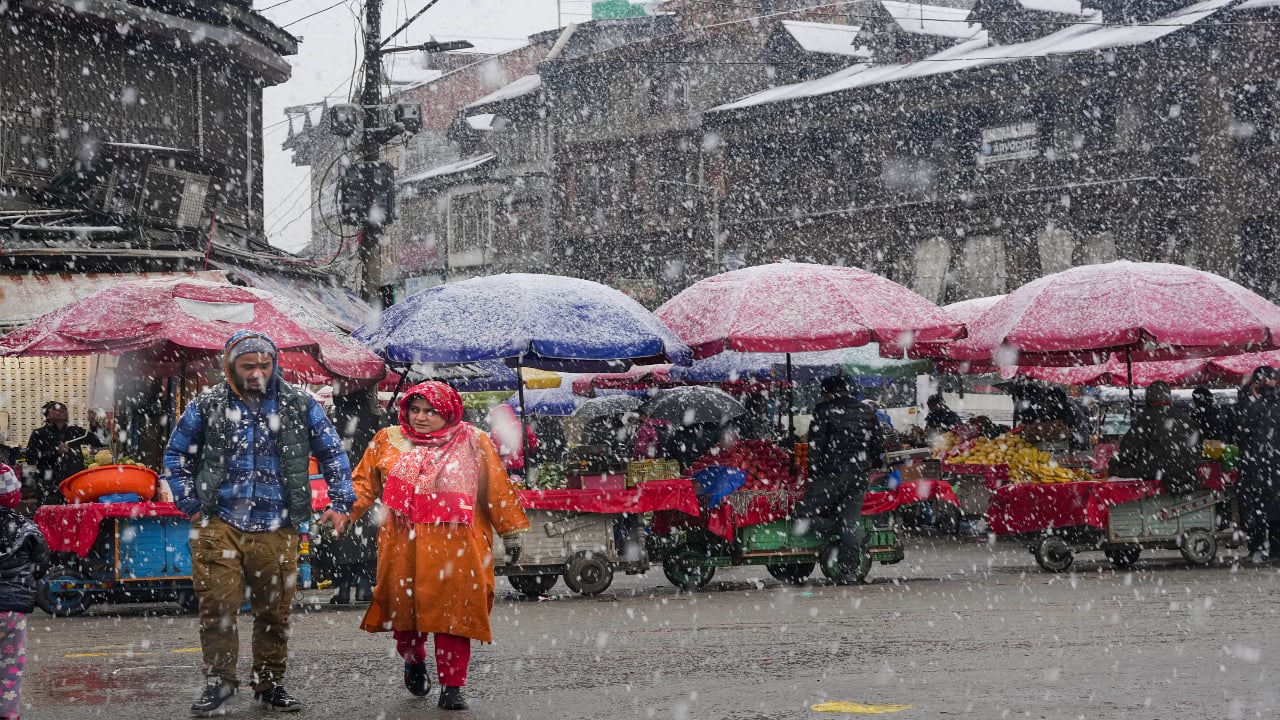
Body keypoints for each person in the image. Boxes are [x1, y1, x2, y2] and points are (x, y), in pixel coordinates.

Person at [163, 330, 354, 716]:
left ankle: (270, 685)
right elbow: (176, 457)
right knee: (217, 607)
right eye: (248, 365)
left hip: (279, 524)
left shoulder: (299, 404)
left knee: (274, 611)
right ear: (230, 366)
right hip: (220, 523)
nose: (258, 373)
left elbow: (333, 453)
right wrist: (193, 506)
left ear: (275, 364)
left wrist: (342, 501)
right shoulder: (207, 404)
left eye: (265, 364)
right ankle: (219, 683)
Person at [349, 381, 529, 711]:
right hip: (404, 545)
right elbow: (362, 485)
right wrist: (342, 512)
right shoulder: (386, 441)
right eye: (414, 410)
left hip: (458, 546)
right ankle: (413, 660)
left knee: (455, 614)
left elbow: (495, 489)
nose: (421, 417)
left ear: (447, 412)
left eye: (430, 411)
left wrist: (511, 531)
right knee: (406, 616)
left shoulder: (474, 441)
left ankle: (453, 686)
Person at [793, 376, 884, 559]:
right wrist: (870, 463)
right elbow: (878, 445)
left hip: (832, 474)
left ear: (827, 393)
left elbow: (816, 445)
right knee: (850, 519)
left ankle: (839, 528)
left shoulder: (824, 410)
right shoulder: (866, 410)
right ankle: (849, 568)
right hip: (859, 473)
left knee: (801, 516)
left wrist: (814, 472)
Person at [0, 463, 48, 720]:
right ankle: (8, 714)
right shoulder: (26, 527)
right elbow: (40, 565)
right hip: (12, 611)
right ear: (14, 496)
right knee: (10, 668)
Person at [1109, 381, 1203, 494]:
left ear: (1147, 398)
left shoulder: (1147, 418)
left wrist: (1115, 464)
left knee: (1114, 471)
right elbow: (1198, 448)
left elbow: (1129, 449)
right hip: (1187, 474)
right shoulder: (1186, 417)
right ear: (1169, 397)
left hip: (1157, 471)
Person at [1236, 366, 1280, 565]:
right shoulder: (1253, 404)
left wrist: (1253, 401)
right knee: (1265, 509)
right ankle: (1268, 549)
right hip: (1263, 465)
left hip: (1259, 465)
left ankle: (1259, 549)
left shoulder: (1255, 405)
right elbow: (1241, 430)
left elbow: (1241, 431)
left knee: (1260, 508)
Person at [25, 401, 103, 506]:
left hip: (74, 485)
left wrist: (94, 424)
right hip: (48, 487)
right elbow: (31, 458)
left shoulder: (75, 432)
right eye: (55, 409)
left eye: (64, 409)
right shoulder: (39, 434)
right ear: (47, 415)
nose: (61, 410)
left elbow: (99, 442)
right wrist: (56, 451)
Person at [485, 403, 539, 482]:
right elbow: (533, 445)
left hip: (505, 467)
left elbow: (494, 451)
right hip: (523, 465)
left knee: (508, 489)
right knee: (523, 488)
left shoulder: (496, 431)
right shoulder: (524, 427)